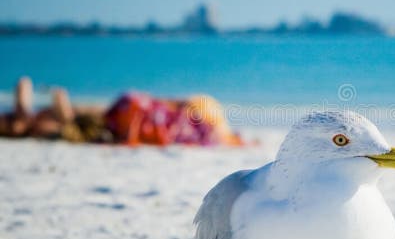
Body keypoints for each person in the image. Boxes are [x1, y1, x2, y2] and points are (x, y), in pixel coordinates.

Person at [0, 79, 243, 146]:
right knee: (38, 125)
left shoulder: (199, 118)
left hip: (106, 120)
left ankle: (21, 115)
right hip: (103, 122)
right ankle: (21, 115)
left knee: (35, 124)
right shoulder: (202, 121)